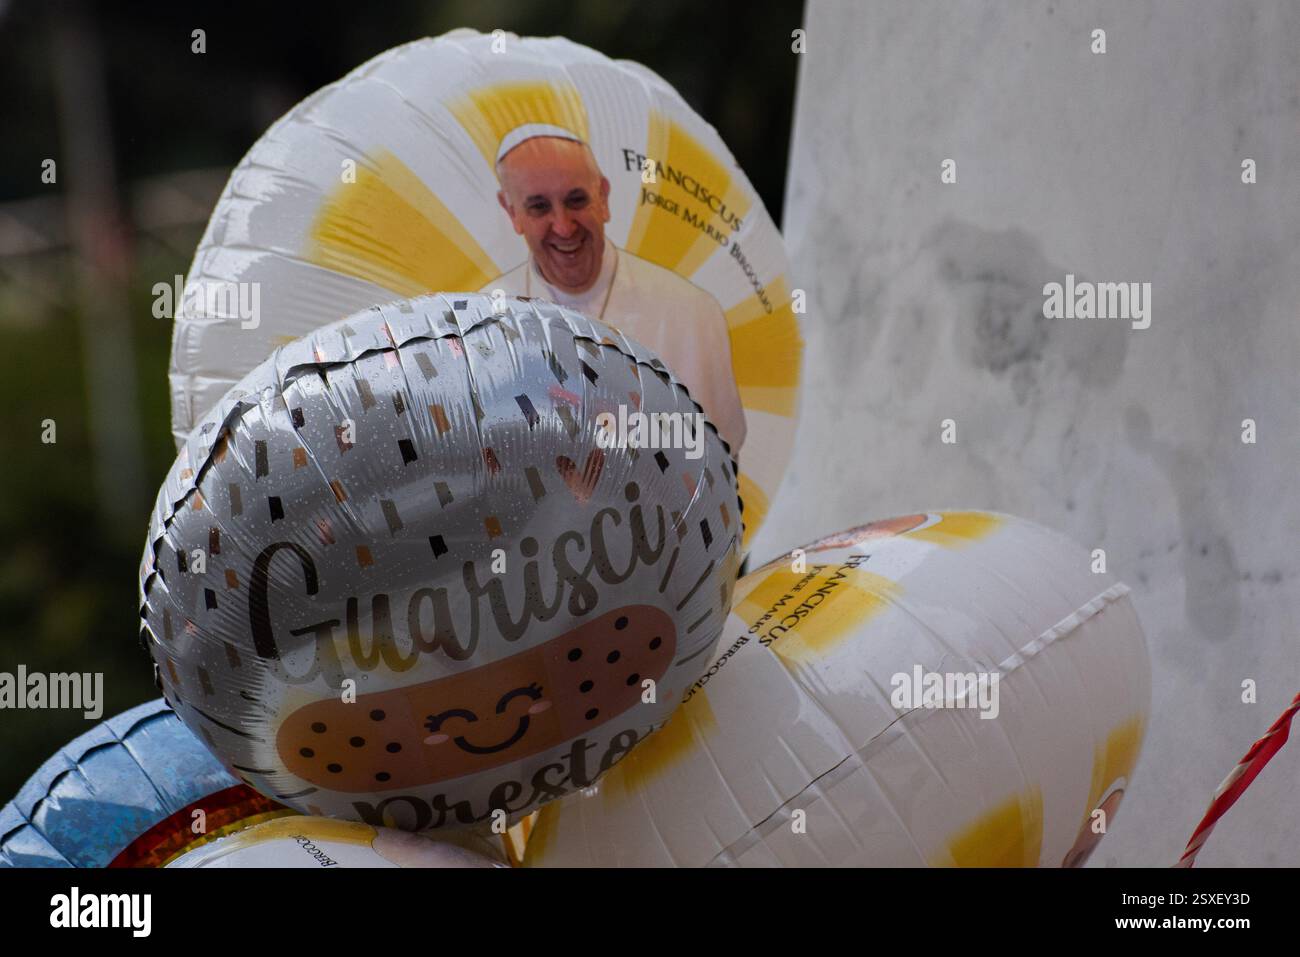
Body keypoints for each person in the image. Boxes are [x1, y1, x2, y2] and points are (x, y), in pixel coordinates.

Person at [481, 124, 747, 452]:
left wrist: (623, 430)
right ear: (512, 212)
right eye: (539, 207)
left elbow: (716, 454)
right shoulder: (484, 324)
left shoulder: (691, 312)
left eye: (576, 200)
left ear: (603, 198)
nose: (564, 227)